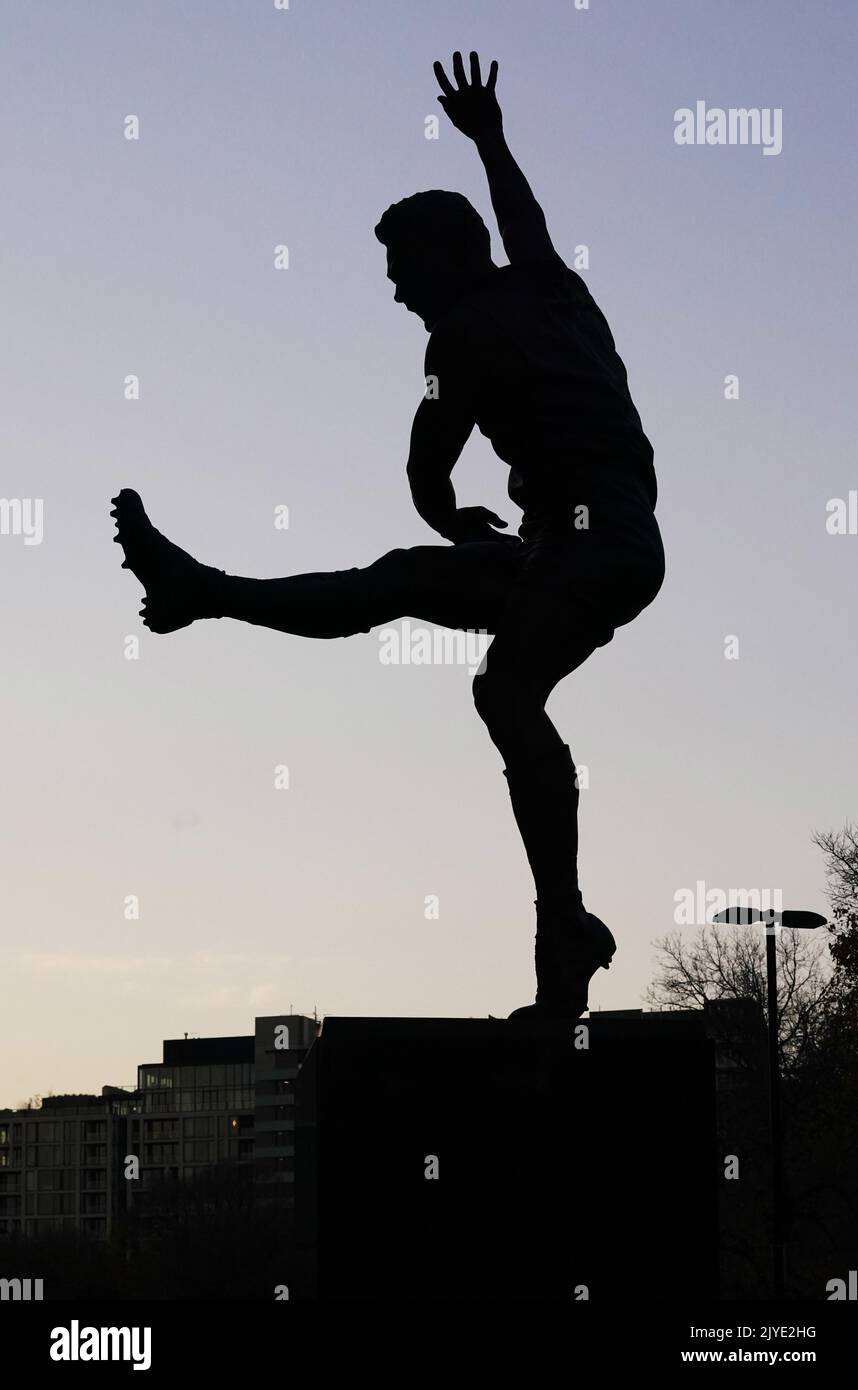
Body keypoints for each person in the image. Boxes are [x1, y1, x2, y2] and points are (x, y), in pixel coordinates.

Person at [111, 52, 664, 1020]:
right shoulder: (548, 287)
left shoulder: (457, 338)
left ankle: (563, 927)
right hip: (591, 543)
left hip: (595, 545)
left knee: (500, 686)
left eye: (401, 272)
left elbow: (423, 468)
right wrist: (490, 137)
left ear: (443, 264)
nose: (396, 292)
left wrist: (450, 514)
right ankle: (207, 590)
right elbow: (523, 220)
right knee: (401, 584)